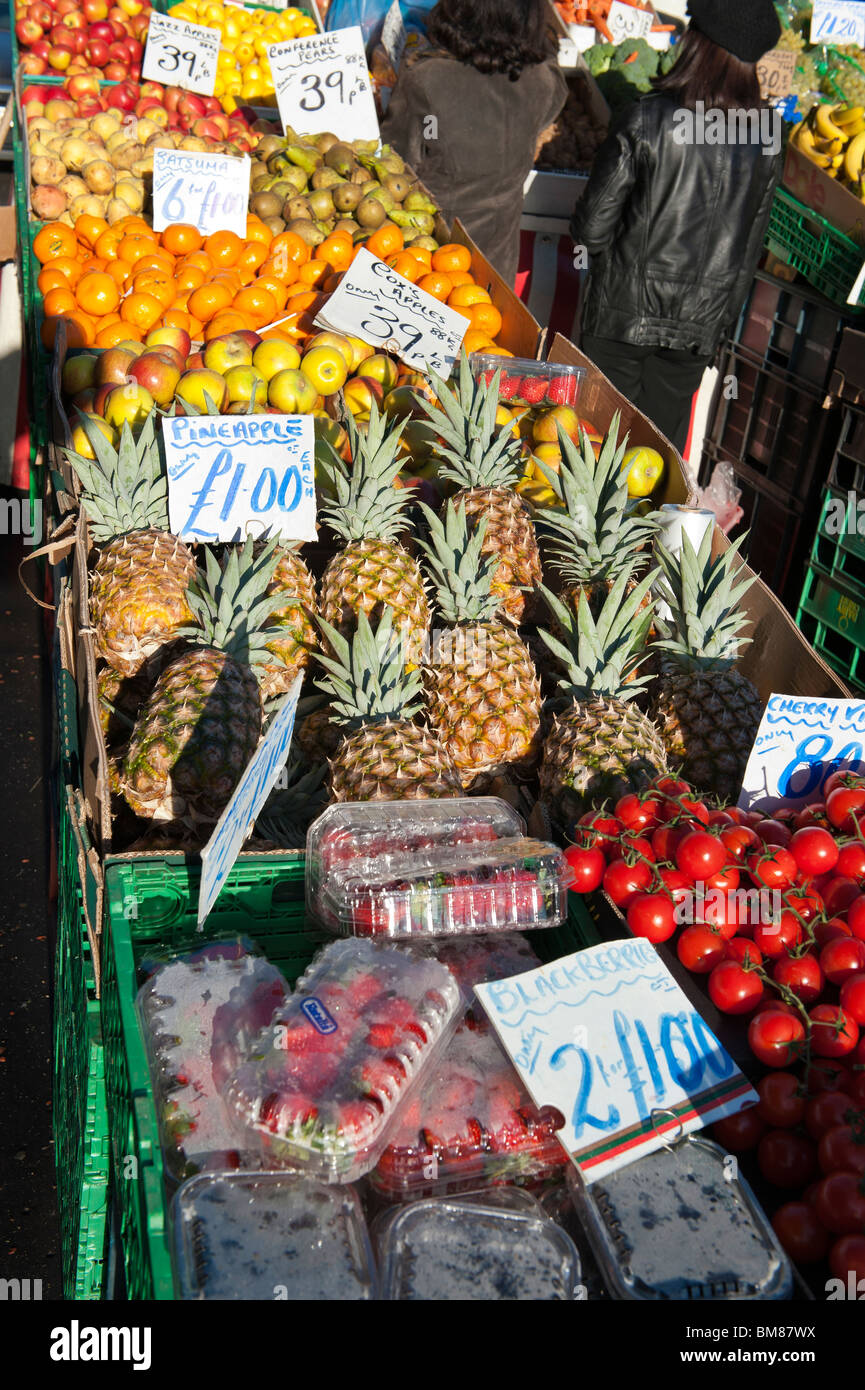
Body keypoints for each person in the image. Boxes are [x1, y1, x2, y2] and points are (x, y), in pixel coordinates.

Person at [571, 0, 783, 453]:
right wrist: (715, 326)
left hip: (621, 320)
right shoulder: (766, 137)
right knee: (650, 466)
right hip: (696, 332)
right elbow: (748, 254)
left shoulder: (647, 118)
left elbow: (591, 230)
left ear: (695, 45)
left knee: (589, 457)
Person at [380, 0, 566, 285]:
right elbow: (552, 90)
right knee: (485, 321)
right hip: (499, 257)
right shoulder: (544, 80)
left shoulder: (426, 80)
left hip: (432, 256)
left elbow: (394, 165)